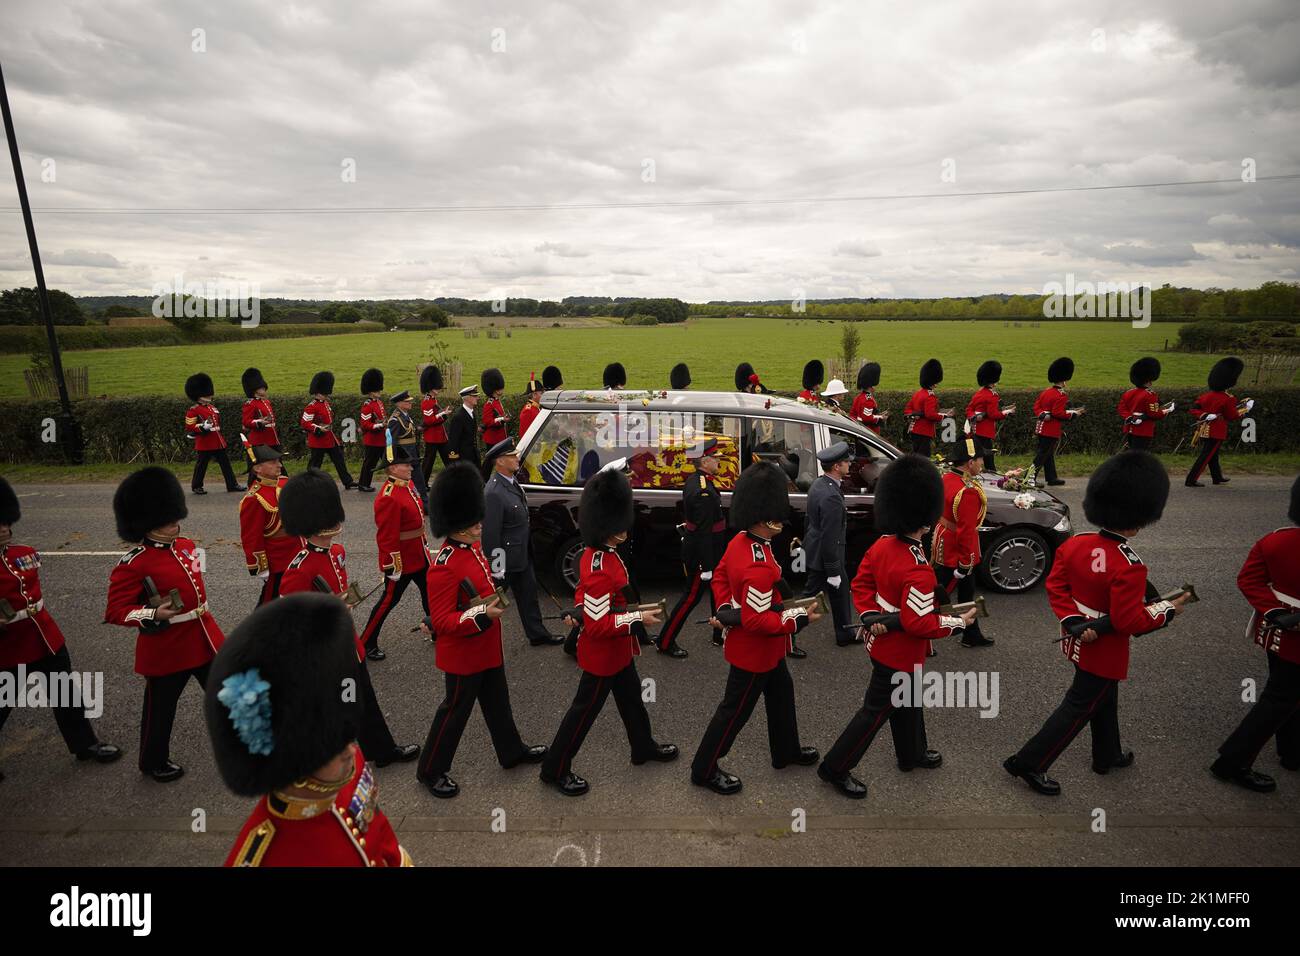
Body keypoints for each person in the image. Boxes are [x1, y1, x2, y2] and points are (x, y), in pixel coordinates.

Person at [1004, 451, 1191, 796]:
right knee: (1078, 707)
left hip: (1077, 636)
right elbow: (1128, 620)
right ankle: (1028, 762)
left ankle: (1107, 754)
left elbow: (1057, 586)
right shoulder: (1129, 565)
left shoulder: (1077, 544)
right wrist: (1167, 610)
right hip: (1104, 647)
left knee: (1105, 699)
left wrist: (1073, 620)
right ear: (1139, 517)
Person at [207, 593, 414, 867]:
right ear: (293, 761)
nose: (351, 749)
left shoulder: (346, 771)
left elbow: (381, 838)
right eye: (331, 745)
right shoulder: (268, 857)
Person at [818, 454, 975, 798]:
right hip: (899, 651)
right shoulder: (918, 567)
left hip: (882, 644)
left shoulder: (883, 545)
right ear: (924, 516)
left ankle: (911, 754)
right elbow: (920, 624)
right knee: (874, 714)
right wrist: (956, 622)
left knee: (909, 700)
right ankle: (835, 767)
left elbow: (861, 585)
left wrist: (871, 614)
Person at [540, 463, 678, 795]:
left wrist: (581, 607)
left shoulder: (601, 553)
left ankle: (642, 747)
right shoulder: (601, 564)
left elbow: (585, 595)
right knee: (583, 713)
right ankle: (555, 768)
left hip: (618, 652)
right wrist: (637, 619)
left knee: (632, 701)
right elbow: (601, 626)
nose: (624, 528)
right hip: (603, 654)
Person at [689, 462, 822, 795]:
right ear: (767, 519)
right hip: (755, 651)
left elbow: (719, 577)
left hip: (766, 650)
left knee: (781, 696)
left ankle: (786, 751)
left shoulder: (742, 542)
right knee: (733, 712)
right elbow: (759, 620)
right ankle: (703, 768)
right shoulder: (758, 563)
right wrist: (799, 619)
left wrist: (722, 607)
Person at [416, 464, 547, 799]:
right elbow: (443, 621)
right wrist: (481, 614)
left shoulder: (471, 549)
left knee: (498, 703)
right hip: (464, 654)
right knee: (454, 713)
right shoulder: (443, 566)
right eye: (474, 522)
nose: (480, 525)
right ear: (456, 525)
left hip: (488, 645)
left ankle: (511, 752)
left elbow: (484, 586)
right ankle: (431, 769)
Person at [277, 469, 419, 769]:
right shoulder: (299, 569)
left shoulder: (336, 552)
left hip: (347, 645)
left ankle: (382, 750)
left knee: (363, 699)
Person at [105, 467, 224, 782]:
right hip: (168, 646)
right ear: (146, 523)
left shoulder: (186, 546)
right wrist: (151, 614)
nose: (175, 522)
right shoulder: (133, 564)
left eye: (174, 517)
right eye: (167, 519)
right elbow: (116, 611)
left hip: (204, 636)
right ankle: (152, 761)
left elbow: (196, 585)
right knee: (160, 711)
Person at [0, 477, 120, 780]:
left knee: (65, 692)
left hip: (43, 634)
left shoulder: (23, 553)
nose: (3, 528)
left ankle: (84, 745)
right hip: (7, 643)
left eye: (5, 521)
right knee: (4, 701)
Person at [1210, 475, 1300, 793]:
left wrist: (1274, 612)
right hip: (1293, 637)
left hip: (1275, 630)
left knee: (1286, 696)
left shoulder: (1275, 540)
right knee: (1279, 698)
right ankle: (1231, 762)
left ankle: (1291, 752)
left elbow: (1249, 581)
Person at [482, 438, 561, 647]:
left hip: (521, 554)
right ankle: (469, 632)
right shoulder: (493, 492)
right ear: (500, 461)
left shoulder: (510, 480)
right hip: (505, 560)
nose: (517, 458)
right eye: (512, 456)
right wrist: (496, 566)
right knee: (490, 600)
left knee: (528, 595)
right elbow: (490, 533)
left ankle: (537, 634)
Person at [357, 444, 430, 662]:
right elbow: (387, 536)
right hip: (403, 561)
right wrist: (392, 564)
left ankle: (436, 627)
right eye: (406, 465)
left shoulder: (407, 485)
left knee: (432, 595)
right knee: (387, 602)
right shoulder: (388, 496)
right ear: (392, 468)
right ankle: (366, 643)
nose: (410, 468)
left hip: (419, 553)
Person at [656, 438, 726, 658]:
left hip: (709, 549)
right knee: (690, 598)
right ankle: (665, 640)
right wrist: (706, 565)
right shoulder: (702, 489)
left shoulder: (699, 480)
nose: (718, 462)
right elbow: (704, 530)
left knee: (718, 591)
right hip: (703, 552)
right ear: (705, 461)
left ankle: (719, 633)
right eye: (715, 458)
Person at [932, 439, 993, 647]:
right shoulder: (967, 491)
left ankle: (971, 633)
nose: (982, 463)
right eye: (980, 459)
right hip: (958, 551)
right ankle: (920, 636)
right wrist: (965, 563)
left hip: (943, 540)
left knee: (956, 593)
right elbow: (966, 532)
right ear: (970, 462)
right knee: (940, 598)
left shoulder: (948, 478)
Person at [803, 441, 856, 650]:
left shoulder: (820, 484)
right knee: (808, 599)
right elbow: (830, 535)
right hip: (827, 554)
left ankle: (845, 633)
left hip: (819, 550)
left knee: (841, 592)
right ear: (836, 467)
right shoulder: (832, 496)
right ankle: (786, 633)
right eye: (846, 462)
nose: (849, 465)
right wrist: (833, 569)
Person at [237, 441, 298, 608]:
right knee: (270, 603)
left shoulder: (285, 483)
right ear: (257, 468)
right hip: (276, 559)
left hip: (297, 550)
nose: (279, 465)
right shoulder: (254, 498)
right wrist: (261, 568)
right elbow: (251, 536)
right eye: (273, 462)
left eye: (279, 461)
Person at [1186, 357, 1252, 488]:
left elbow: (1193, 410)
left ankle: (1217, 477)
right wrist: (1245, 409)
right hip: (1217, 431)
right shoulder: (1228, 399)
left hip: (1204, 429)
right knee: (1206, 455)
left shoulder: (1205, 396)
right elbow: (1231, 416)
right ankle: (1191, 479)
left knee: (1213, 455)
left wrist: (1204, 414)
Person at [185, 372, 244, 495]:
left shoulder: (212, 408)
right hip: (205, 441)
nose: (210, 395)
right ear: (199, 395)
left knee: (226, 464)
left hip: (217, 440)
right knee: (201, 465)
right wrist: (202, 426)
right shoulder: (194, 410)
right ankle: (197, 486)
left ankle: (232, 485)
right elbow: (189, 426)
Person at [1031, 357, 1082, 487]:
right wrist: (1073, 414)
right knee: (1042, 454)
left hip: (1041, 427)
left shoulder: (1046, 392)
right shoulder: (1061, 395)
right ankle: (1030, 478)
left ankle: (1051, 477)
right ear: (1064, 380)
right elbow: (1057, 413)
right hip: (1051, 429)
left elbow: (1036, 407)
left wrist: (1041, 414)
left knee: (1048, 453)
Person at [302, 370, 356, 488]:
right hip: (318, 439)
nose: (326, 395)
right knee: (315, 464)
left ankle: (347, 481)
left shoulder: (325, 403)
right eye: (323, 393)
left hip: (330, 438)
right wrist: (318, 428)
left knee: (339, 460)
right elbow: (305, 423)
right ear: (317, 392)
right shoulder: (311, 407)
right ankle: (308, 484)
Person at [965, 360, 1013, 471]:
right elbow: (993, 415)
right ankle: (992, 474)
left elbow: (969, 409)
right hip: (985, 430)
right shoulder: (992, 396)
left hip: (975, 430)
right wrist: (1006, 413)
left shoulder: (979, 393)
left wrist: (974, 416)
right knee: (987, 455)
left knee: (978, 453)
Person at [1117, 357, 1170, 452]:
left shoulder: (1129, 392)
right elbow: (1154, 414)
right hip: (1143, 430)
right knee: (1139, 455)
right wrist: (1166, 411)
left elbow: (1121, 408)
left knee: (1131, 453)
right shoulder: (1150, 395)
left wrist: (1129, 417)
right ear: (1149, 380)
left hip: (1129, 428)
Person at [240, 367, 283, 474]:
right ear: (255, 390)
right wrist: (259, 422)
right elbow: (246, 422)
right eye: (261, 388)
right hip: (260, 441)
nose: (264, 389)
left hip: (272, 438)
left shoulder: (266, 402)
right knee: (257, 470)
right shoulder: (250, 404)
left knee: (278, 465)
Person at [386, 389, 426, 501]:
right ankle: (421, 503)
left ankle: (423, 503)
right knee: (411, 481)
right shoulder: (395, 419)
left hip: (412, 453)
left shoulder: (406, 416)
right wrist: (392, 460)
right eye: (407, 401)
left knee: (419, 481)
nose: (410, 403)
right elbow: (391, 442)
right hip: (404, 455)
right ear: (399, 403)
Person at [904, 359, 946, 457]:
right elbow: (930, 414)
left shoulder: (918, 394)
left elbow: (907, 410)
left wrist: (914, 415)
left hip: (914, 430)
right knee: (923, 458)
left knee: (916, 456)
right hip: (924, 431)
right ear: (933, 381)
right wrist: (944, 416)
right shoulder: (930, 396)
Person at [357, 368, 387, 493]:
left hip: (381, 438)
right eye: (376, 390)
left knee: (388, 461)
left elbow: (382, 417)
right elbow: (365, 425)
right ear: (370, 392)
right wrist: (378, 426)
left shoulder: (379, 403)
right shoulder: (367, 406)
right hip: (372, 440)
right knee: (369, 464)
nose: (379, 392)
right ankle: (363, 484)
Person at [419, 365, 451, 476]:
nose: (438, 388)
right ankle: (423, 484)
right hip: (432, 437)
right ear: (430, 386)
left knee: (449, 460)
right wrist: (443, 414)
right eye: (436, 387)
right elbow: (429, 421)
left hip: (440, 436)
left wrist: (442, 413)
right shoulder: (427, 401)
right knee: (428, 463)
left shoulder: (433, 399)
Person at [445, 384, 481, 468]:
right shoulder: (459, 416)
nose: (477, 398)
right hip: (463, 459)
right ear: (467, 398)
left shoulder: (472, 413)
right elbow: (453, 440)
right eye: (474, 396)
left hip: (473, 456)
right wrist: (455, 461)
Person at [851, 362, 886, 435]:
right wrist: (881, 417)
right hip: (869, 433)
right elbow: (867, 418)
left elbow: (855, 415)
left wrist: (877, 414)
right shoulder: (868, 400)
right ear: (872, 386)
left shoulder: (859, 397)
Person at [480, 368, 509, 449]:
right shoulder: (489, 404)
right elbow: (487, 422)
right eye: (501, 388)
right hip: (493, 440)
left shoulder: (497, 401)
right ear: (496, 390)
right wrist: (502, 419)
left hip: (500, 439)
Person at [518, 373, 545, 438]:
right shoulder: (528, 410)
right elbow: (525, 434)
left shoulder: (535, 407)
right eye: (541, 393)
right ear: (534, 395)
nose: (543, 395)